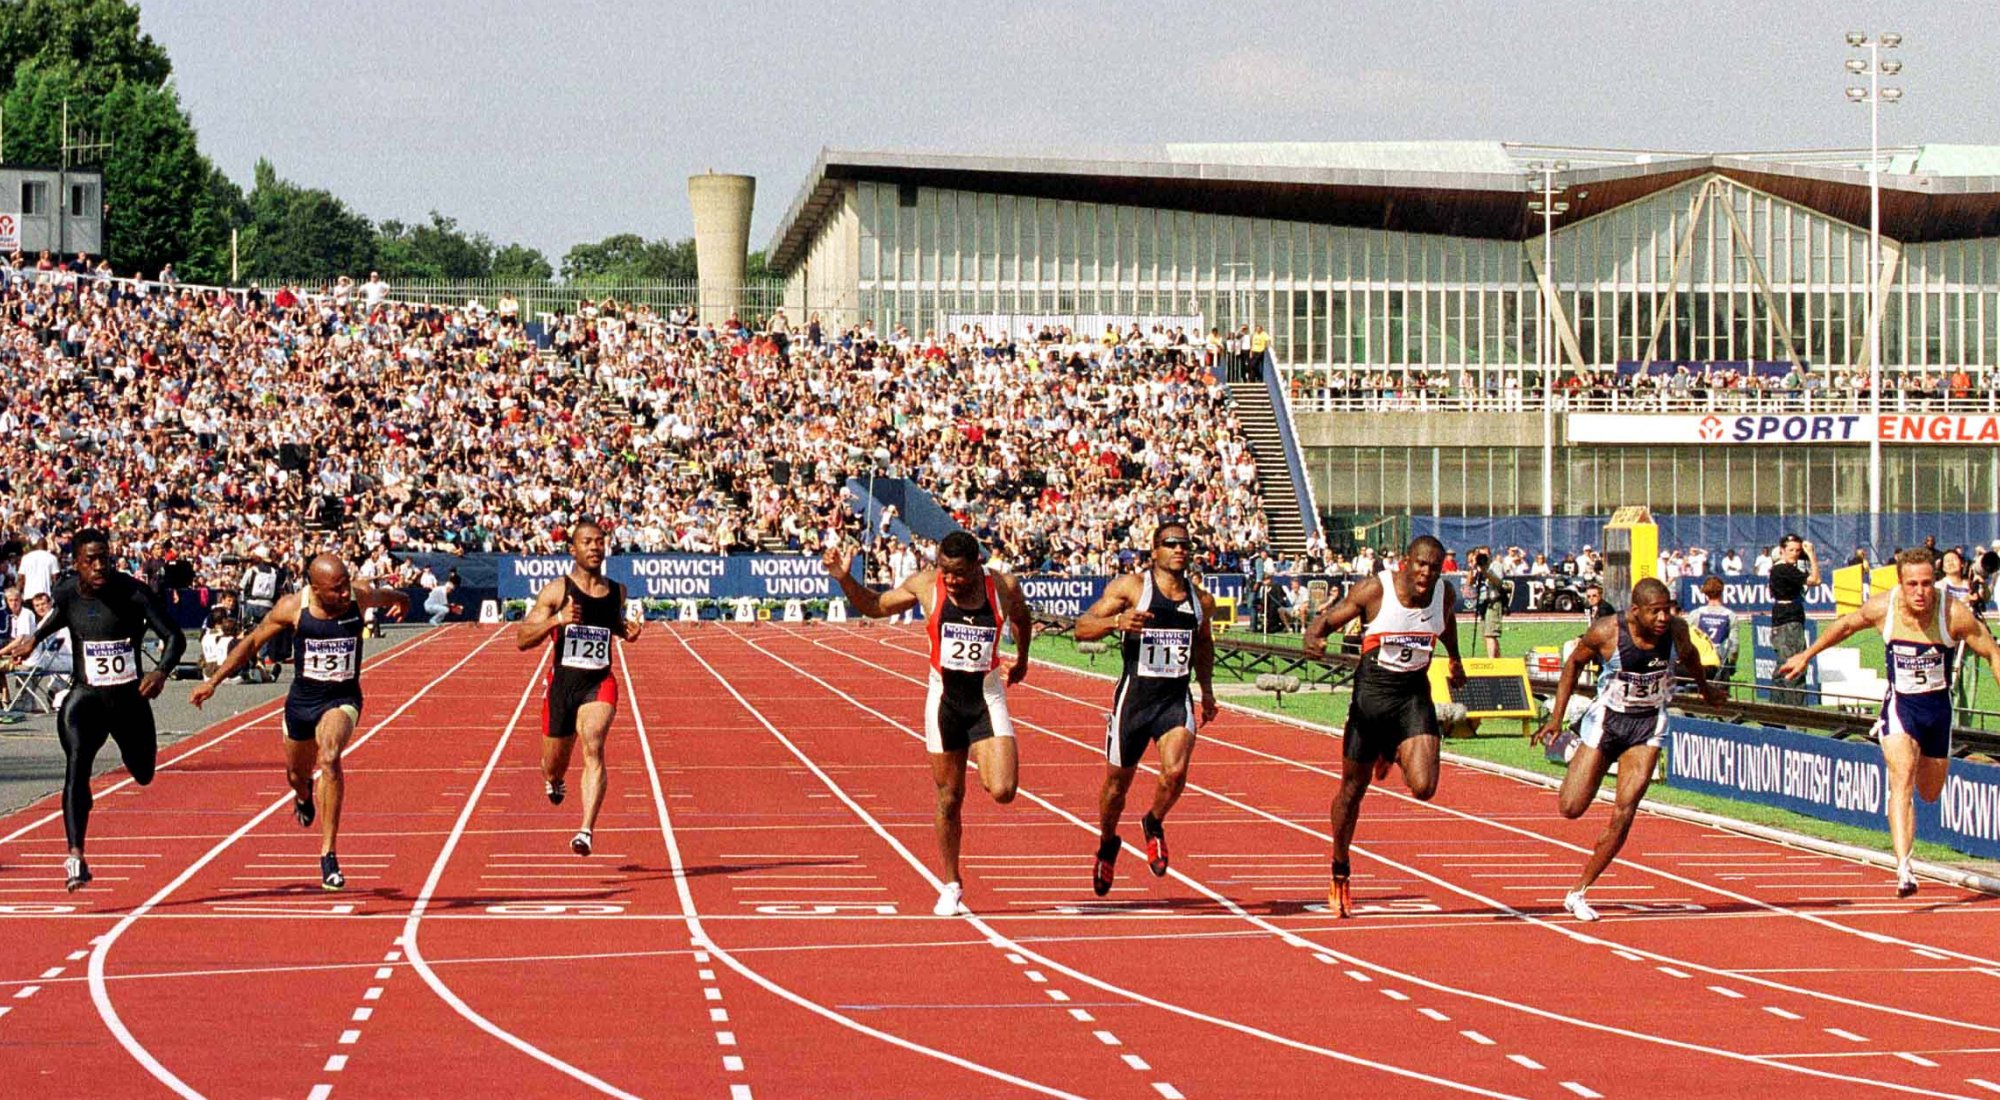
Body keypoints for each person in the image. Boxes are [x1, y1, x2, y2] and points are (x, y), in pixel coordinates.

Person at [823, 530, 1029, 917]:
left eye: (959, 573)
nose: (950, 579)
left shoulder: (1001, 587)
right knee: (949, 797)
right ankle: (951, 883)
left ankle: (986, 772)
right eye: (944, 570)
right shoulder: (925, 586)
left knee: (1003, 789)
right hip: (944, 701)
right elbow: (874, 605)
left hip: (986, 696)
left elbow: (1021, 617)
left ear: (977, 566)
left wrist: (1023, 658)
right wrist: (843, 578)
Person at [1779, 548, 2000, 896]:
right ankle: (1903, 869)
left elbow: (1991, 652)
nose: (1920, 592)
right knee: (1902, 778)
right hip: (1901, 705)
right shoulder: (1885, 608)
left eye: (1927, 583)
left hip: (1938, 711)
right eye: (1912, 583)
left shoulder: (1952, 613)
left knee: (1929, 792)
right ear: (1900, 583)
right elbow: (1846, 624)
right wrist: (1807, 654)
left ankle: (1905, 862)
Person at [192, 555, 410, 889]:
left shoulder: (358, 595)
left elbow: (389, 595)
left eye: (344, 585)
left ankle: (328, 855)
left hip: (342, 698)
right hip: (302, 702)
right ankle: (304, 796)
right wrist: (214, 681)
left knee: (330, 756)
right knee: (296, 775)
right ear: (315, 588)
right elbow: (251, 642)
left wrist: (403, 601)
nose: (342, 594)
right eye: (334, 589)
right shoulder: (293, 607)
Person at [0, 530, 183, 891]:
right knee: (76, 766)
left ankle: (85, 806)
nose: (100, 566)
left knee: (144, 772)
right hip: (86, 698)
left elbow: (174, 636)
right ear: (77, 564)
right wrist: (34, 638)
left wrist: (161, 672)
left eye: (105, 558)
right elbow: (60, 616)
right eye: (91, 560)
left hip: (130, 701)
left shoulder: (133, 592)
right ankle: (75, 856)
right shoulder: (67, 591)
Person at [1534, 579, 1723, 921]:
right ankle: (1580, 749)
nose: (1664, 617)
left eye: (1667, 609)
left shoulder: (1677, 630)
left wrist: (1706, 692)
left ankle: (1578, 892)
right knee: (1571, 807)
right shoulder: (1606, 632)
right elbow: (1574, 664)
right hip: (1606, 722)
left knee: (1624, 812)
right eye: (1656, 612)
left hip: (1648, 726)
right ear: (1635, 611)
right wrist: (1557, 717)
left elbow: (1692, 658)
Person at [1302, 535, 1466, 918]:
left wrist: (1455, 658)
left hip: (1412, 695)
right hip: (1371, 700)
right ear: (1406, 561)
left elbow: (1447, 624)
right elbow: (1326, 621)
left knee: (1424, 787)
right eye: (1421, 564)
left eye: (1435, 567)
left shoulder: (1443, 595)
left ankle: (1392, 750)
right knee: (1351, 790)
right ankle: (1339, 868)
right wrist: (1314, 637)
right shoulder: (1376, 590)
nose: (1426, 573)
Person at [1072, 522, 1218, 896]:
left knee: (1176, 771)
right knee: (1116, 788)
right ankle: (1107, 844)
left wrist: (1207, 691)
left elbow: (1203, 645)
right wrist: (1115, 623)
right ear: (1154, 551)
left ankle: (1153, 822)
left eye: (1185, 544)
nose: (1179, 549)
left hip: (1174, 700)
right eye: (1170, 544)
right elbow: (1081, 627)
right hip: (1134, 701)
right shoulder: (1133, 588)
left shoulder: (1201, 601)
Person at [516, 521, 645, 858]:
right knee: (553, 765)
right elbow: (522, 639)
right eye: (587, 542)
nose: (595, 547)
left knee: (594, 744)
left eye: (600, 541)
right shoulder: (556, 591)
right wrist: (557, 621)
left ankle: (586, 829)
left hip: (598, 682)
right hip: (562, 686)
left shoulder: (618, 591)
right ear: (572, 550)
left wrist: (624, 631)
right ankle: (555, 779)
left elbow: (608, 624)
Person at [1767, 535, 1819, 704]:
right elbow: (1815, 580)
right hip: (1790, 623)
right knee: (1795, 668)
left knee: (1781, 669)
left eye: (1798, 551)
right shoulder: (1784, 569)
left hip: (1780, 621)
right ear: (1781, 550)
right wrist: (1811, 555)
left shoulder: (1780, 569)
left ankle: (1776, 716)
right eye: (1791, 550)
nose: (1795, 554)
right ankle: (1796, 717)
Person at [1690, 576, 1739, 682]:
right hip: (1720, 664)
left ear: (1705, 593)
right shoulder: (1730, 615)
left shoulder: (1696, 614)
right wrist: (1732, 665)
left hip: (1699, 662)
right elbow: (1734, 647)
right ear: (1722, 592)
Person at [1468, 547, 1508, 658]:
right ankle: (1497, 659)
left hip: (1493, 601)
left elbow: (1499, 582)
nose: (1483, 558)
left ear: (1489, 555)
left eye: (1484, 555)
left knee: (1491, 634)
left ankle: (1491, 662)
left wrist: (1486, 572)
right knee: (1486, 635)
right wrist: (1473, 568)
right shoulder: (1477, 567)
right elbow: (1469, 583)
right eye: (1480, 555)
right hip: (1482, 603)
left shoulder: (1495, 566)